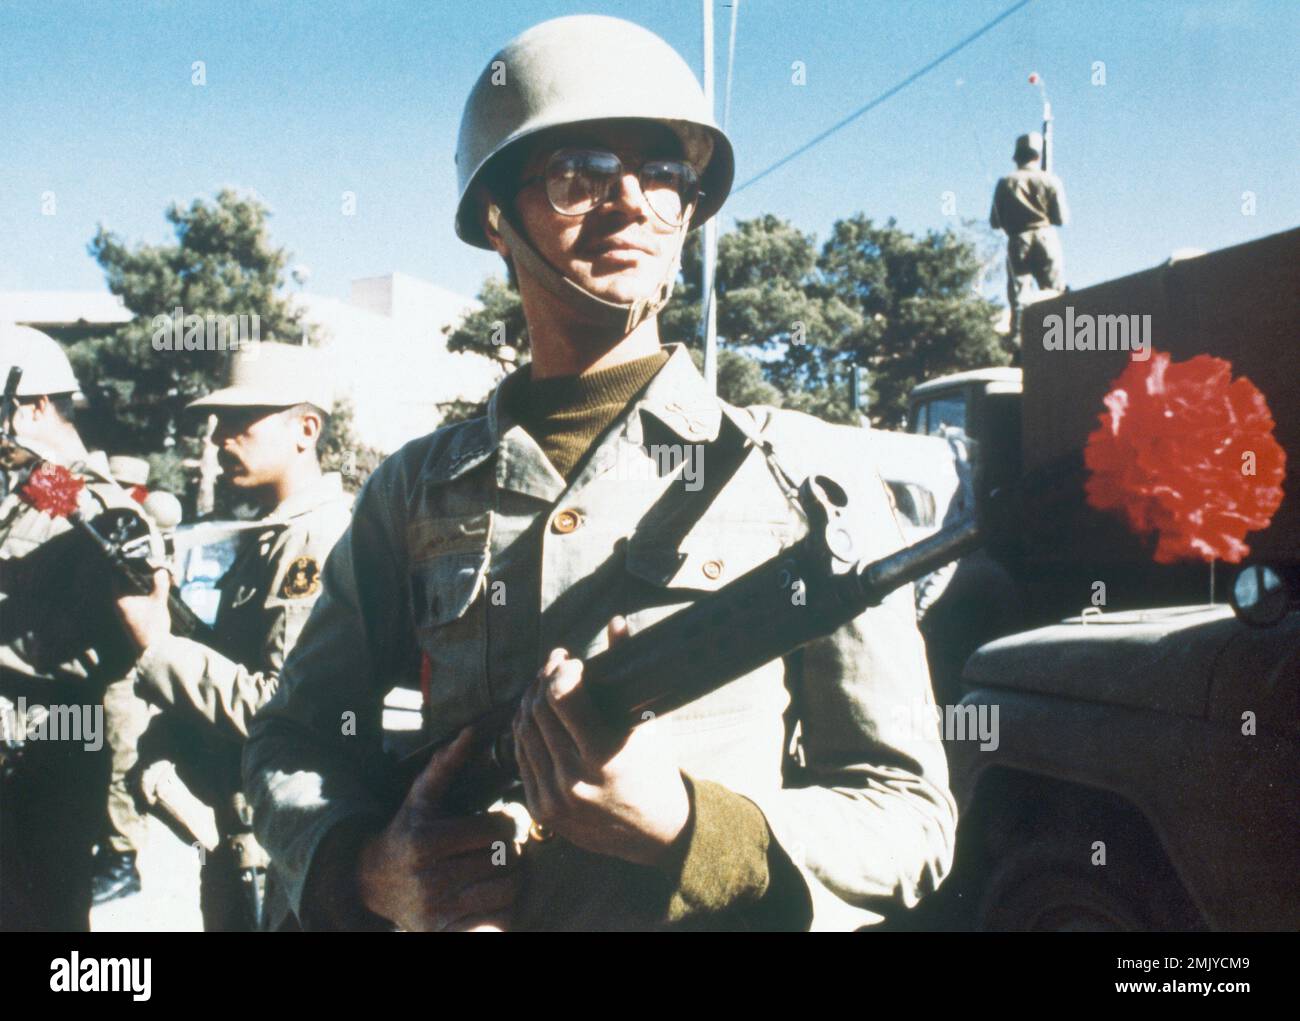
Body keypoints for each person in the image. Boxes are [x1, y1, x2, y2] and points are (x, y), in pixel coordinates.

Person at [244, 14, 957, 932]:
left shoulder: (806, 475)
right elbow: (292, 742)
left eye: (663, 176)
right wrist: (365, 869)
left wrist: (699, 830)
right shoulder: (414, 492)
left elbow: (908, 813)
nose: (630, 204)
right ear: (499, 220)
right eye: (579, 174)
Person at [114, 341, 353, 930]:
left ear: (307, 428)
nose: (222, 439)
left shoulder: (316, 541)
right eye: (219, 424)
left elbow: (281, 704)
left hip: (285, 845)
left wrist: (159, 646)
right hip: (247, 833)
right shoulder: (271, 537)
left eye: (242, 421)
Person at [0, 323, 162, 930]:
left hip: (53, 742)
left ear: (36, 406)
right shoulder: (35, 492)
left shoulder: (96, 504)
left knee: (43, 918)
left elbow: (116, 642)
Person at [990, 131, 1069, 342]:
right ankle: (1057, 342)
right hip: (1047, 239)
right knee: (1054, 294)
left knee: (1019, 297)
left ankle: (1018, 345)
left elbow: (994, 222)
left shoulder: (1005, 182)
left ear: (1017, 156)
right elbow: (1061, 219)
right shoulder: (1051, 180)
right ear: (1038, 156)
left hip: (1018, 240)